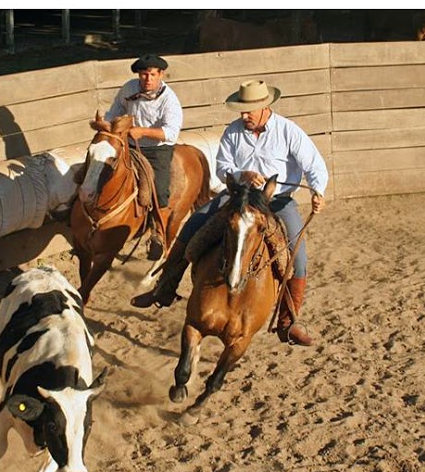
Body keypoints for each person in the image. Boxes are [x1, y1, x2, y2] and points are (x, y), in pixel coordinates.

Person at [134, 79, 328, 346]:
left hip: (277, 201)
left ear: (264, 107)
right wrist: (242, 174)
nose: (243, 116)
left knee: (299, 257)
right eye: (241, 111)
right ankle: (165, 288)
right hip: (238, 197)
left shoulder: (288, 131)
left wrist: (318, 191)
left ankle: (288, 322)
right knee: (193, 226)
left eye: (248, 110)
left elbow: (314, 164)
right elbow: (222, 166)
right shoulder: (233, 131)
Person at [90, 54, 184, 224]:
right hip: (130, 143)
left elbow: (171, 133)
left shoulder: (169, 100)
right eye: (143, 74)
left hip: (157, 150)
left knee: (159, 192)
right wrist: (106, 124)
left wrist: (143, 132)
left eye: (152, 74)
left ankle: (158, 230)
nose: (147, 79)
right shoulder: (129, 88)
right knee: (97, 166)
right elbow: (115, 110)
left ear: (161, 74)